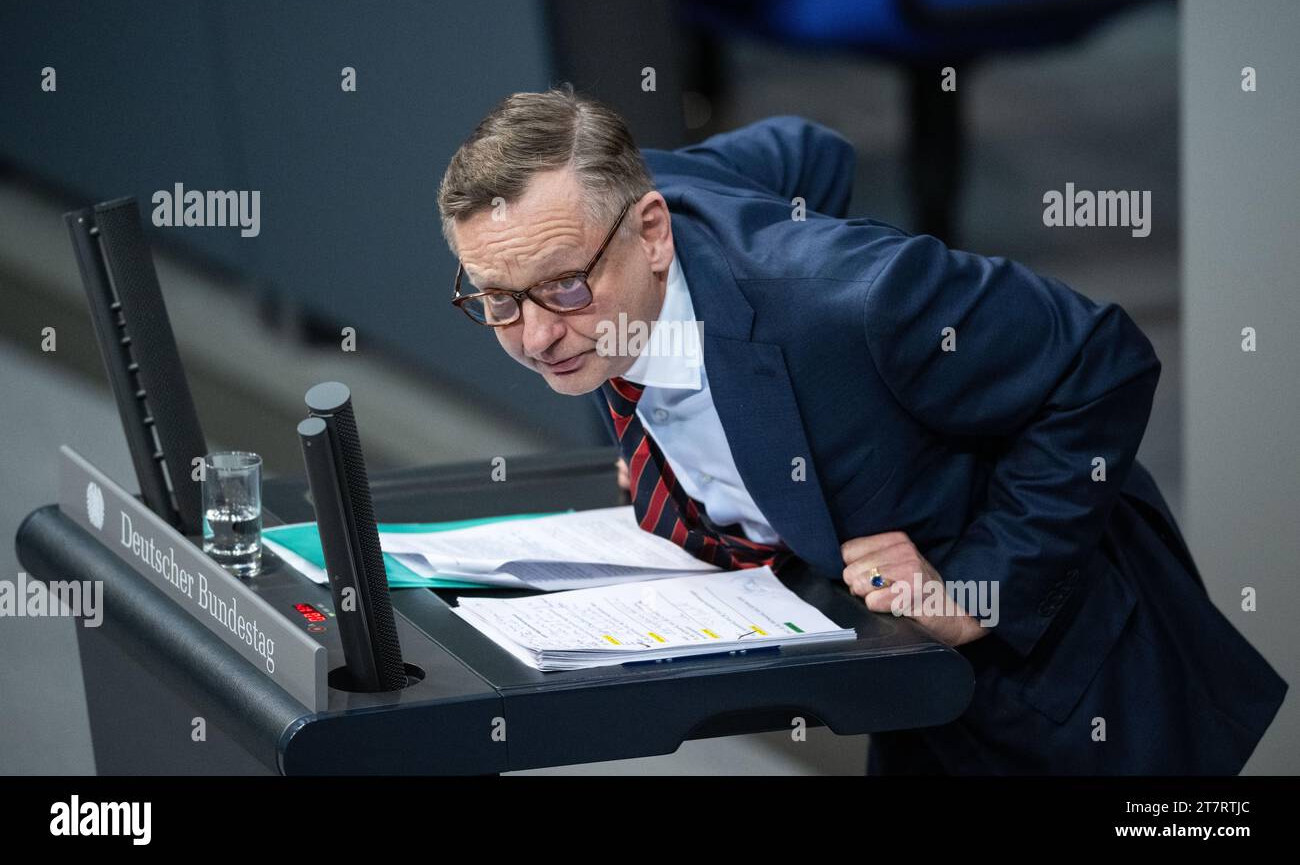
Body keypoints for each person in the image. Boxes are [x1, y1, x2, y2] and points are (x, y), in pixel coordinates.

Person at [436, 86, 1287, 774]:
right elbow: (811, 150)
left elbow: (1106, 361)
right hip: (899, 676)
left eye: (564, 289)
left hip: (1062, 693)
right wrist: (679, 455)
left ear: (653, 233)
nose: (537, 336)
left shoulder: (862, 298)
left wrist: (979, 580)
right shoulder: (597, 233)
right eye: (495, 302)